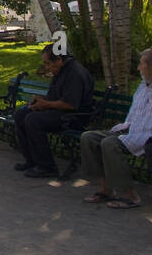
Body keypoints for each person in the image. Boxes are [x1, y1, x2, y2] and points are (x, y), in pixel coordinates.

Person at [80, 46, 152, 209]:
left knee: (110, 144)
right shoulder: (143, 87)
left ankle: (130, 196)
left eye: (142, 64)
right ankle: (106, 189)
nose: (138, 68)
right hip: (131, 131)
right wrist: (122, 129)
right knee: (89, 138)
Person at [14, 44, 95, 177]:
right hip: (58, 110)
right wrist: (39, 101)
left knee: (33, 120)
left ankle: (47, 167)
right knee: (21, 114)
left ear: (58, 59)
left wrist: (46, 104)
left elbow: (70, 104)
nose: (47, 67)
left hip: (74, 117)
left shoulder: (74, 73)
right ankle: (31, 160)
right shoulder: (60, 70)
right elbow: (55, 96)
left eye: (48, 63)